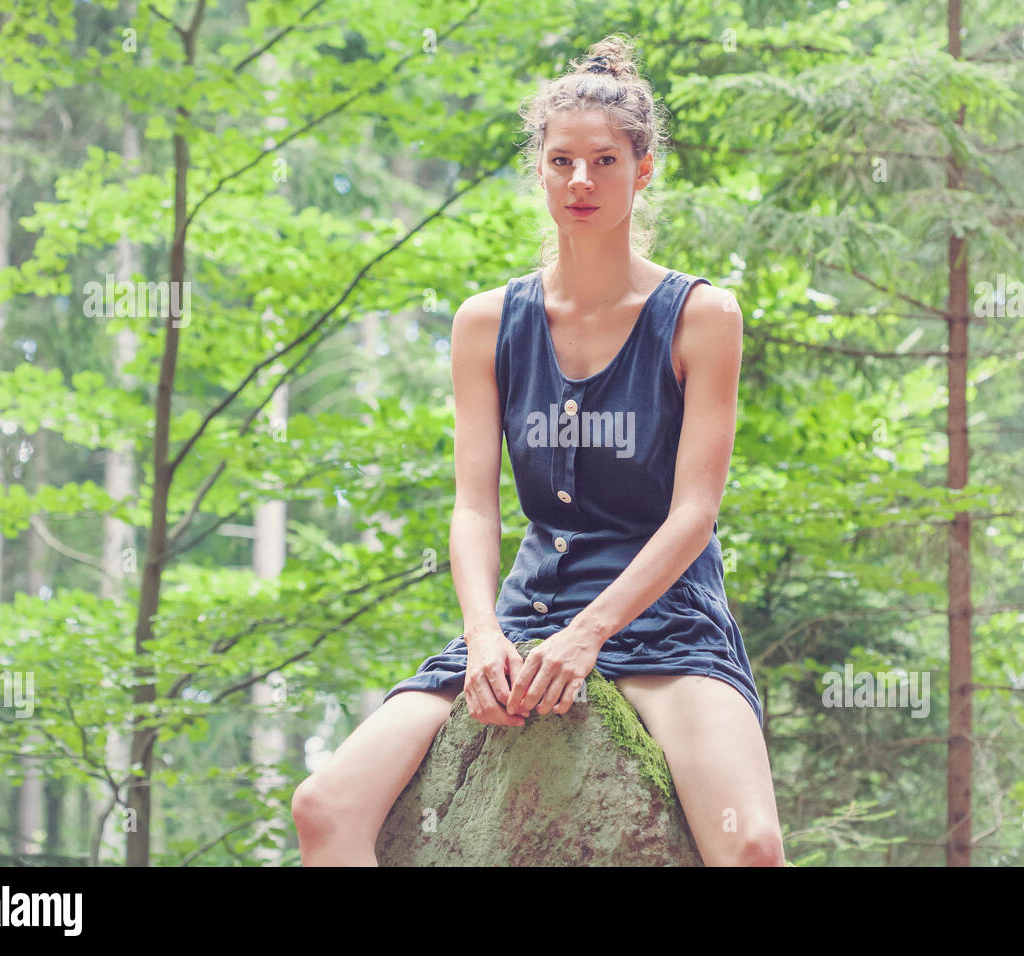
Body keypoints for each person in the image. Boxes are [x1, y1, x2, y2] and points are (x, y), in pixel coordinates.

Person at [291, 34, 785, 867]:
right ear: (541, 169)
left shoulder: (704, 316)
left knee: (755, 850)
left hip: (663, 619)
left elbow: (696, 513)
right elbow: (474, 505)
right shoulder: (487, 322)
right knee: (323, 806)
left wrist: (592, 635)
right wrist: (485, 636)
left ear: (645, 168)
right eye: (561, 162)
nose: (581, 182)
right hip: (526, 614)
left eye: (603, 161)